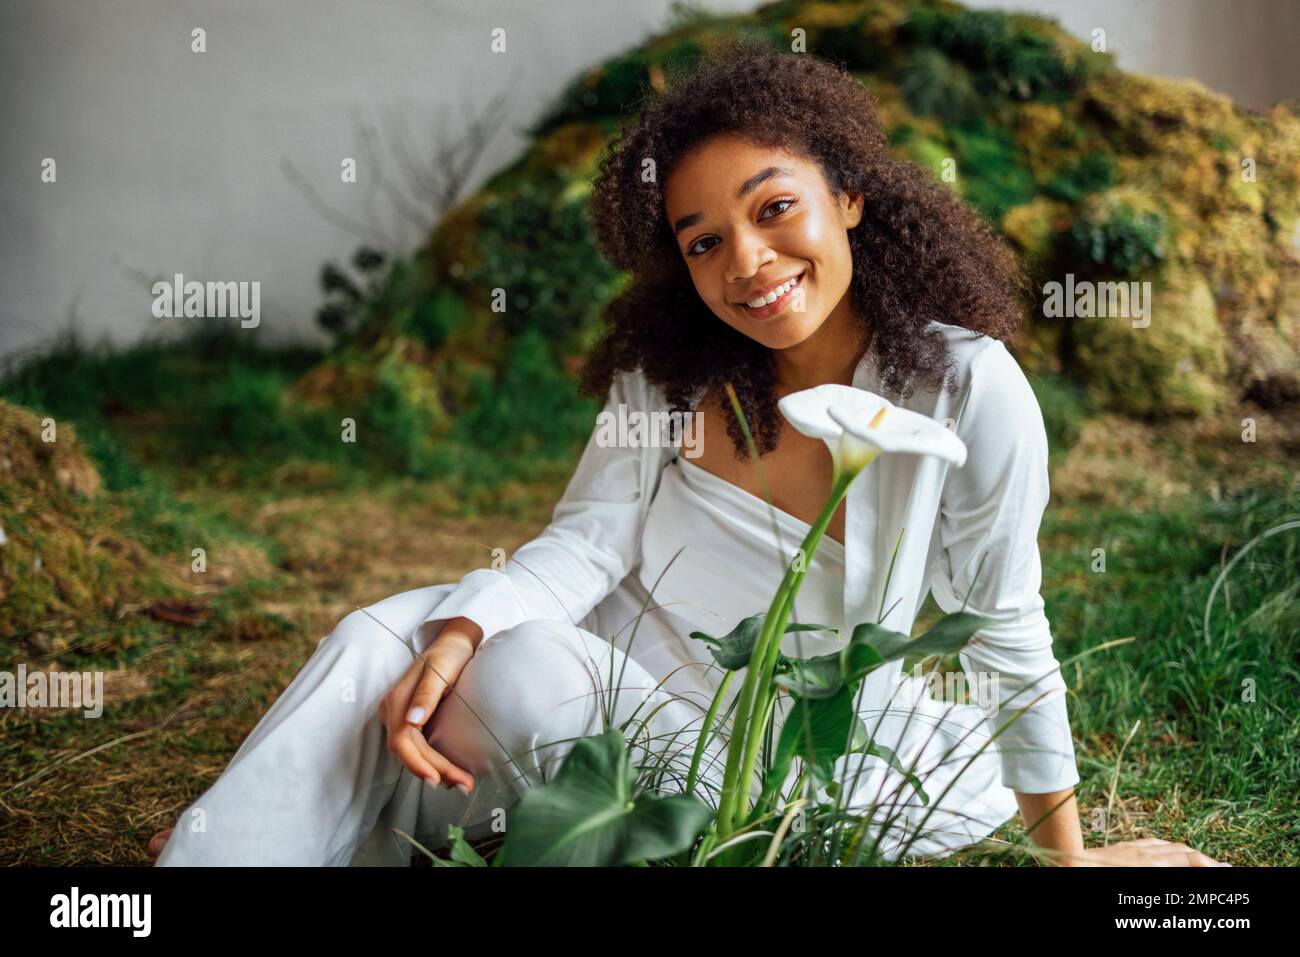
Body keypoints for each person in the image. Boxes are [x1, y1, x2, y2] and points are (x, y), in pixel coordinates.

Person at [151, 40, 1224, 867]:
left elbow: (1006, 631)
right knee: (385, 638)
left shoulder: (965, 388)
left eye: (775, 209)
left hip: (761, 744)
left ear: (849, 198)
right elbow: (587, 541)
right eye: (704, 240)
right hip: (599, 660)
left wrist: (1071, 861)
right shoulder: (675, 371)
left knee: (518, 669)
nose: (748, 263)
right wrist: (464, 621)